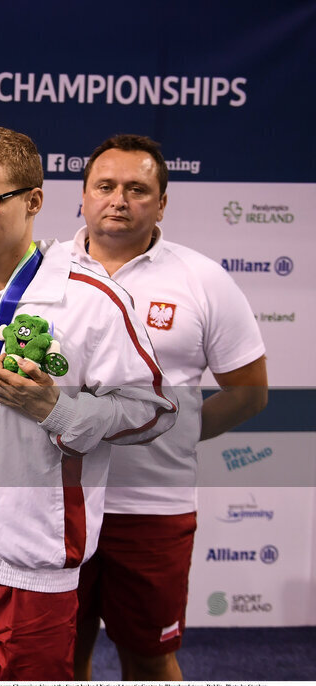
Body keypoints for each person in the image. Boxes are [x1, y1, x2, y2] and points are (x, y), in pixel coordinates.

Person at [0, 126, 177, 680]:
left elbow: (154, 409)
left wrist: (61, 411)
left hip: (31, 563)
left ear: (34, 201)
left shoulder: (93, 300)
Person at [69, 134, 268, 681]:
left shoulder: (202, 279)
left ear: (161, 203)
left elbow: (250, 393)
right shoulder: (40, 271)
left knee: (150, 659)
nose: (119, 199)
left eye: (138, 189)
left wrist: (170, 431)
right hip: (55, 503)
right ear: (82, 196)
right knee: (59, 660)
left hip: (153, 508)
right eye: (105, 186)